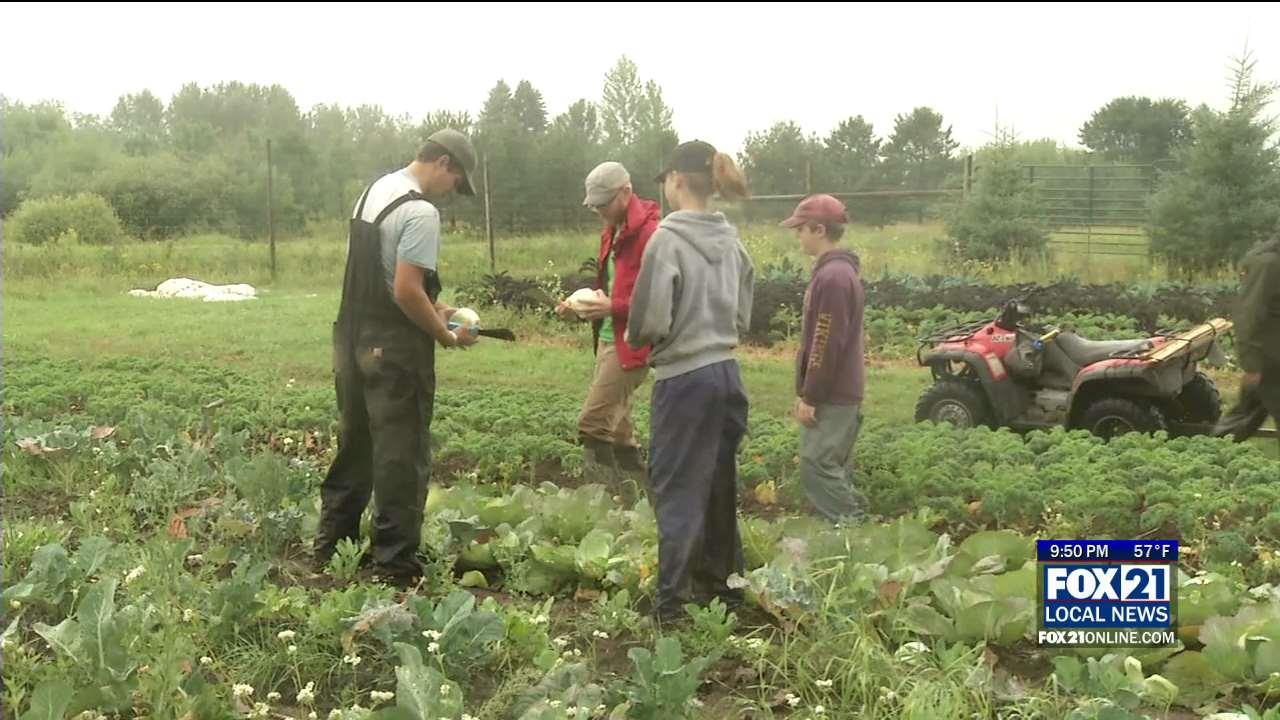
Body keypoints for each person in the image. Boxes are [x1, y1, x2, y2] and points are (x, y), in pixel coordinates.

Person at [313, 129, 481, 586]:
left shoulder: (374, 191)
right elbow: (407, 290)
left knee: (357, 445)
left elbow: (384, 280)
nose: (452, 193)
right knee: (401, 455)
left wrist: (436, 308)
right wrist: (444, 334)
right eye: (457, 181)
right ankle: (394, 563)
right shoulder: (420, 212)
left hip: (350, 338)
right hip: (394, 349)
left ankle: (333, 546)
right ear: (443, 163)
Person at [626, 140, 754, 621]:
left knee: (676, 489)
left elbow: (649, 323)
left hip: (684, 379)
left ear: (676, 180)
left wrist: (629, 327)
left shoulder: (668, 240)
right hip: (726, 373)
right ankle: (723, 588)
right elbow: (743, 313)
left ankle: (672, 606)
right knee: (719, 486)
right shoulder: (732, 239)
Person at [556, 162, 660, 498]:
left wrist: (611, 307)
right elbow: (617, 286)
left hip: (632, 342)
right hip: (607, 337)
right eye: (594, 204)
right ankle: (639, 498)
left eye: (603, 203)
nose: (598, 210)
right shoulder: (614, 227)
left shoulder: (652, 235)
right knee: (619, 434)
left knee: (593, 425)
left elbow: (659, 298)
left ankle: (600, 506)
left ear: (626, 192)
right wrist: (580, 306)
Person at [781, 194, 868, 523]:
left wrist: (811, 395)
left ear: (819, 229)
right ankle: (845, 536)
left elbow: (825, 342)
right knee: (832, 464)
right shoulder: (837, 273)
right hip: (840, 388)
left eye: (801, 229)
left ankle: (852, 528)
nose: (798, 235)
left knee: (816, 463)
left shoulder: (833, 278)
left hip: (833, 392)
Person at [1214, 232, 1280, 445]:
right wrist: (1252, 365)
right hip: (1270, 361)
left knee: (1245, 415)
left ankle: (1210, 453)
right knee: (1244, 416)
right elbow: (1249, 315)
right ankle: (1208, 454)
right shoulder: (1268, 265)